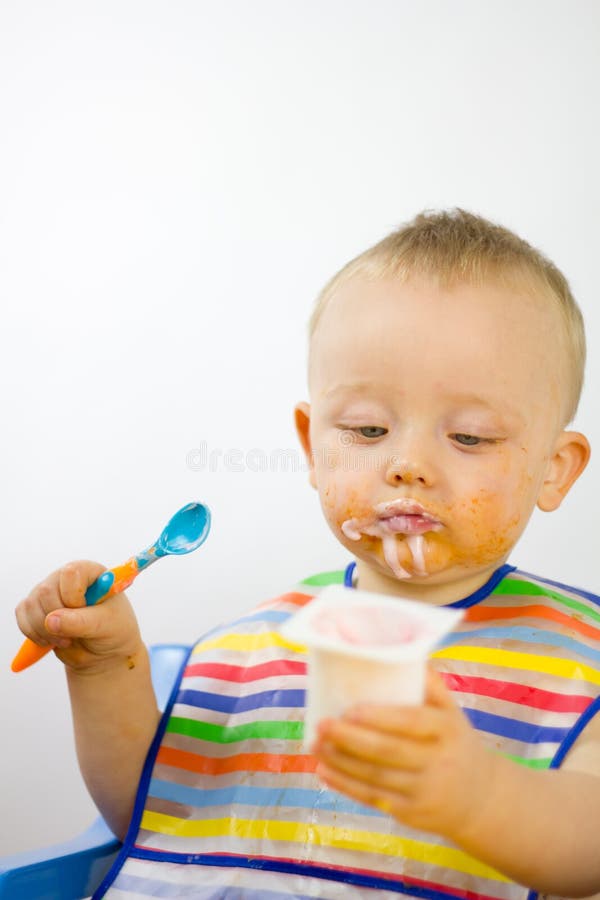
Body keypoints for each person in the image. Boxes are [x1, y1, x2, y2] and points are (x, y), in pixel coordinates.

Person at [15, 209, 600, 899]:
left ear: (554, 470)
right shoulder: (256, 645)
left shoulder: (579, 661)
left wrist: (480, 796)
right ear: (312, 446)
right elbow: (158, 821)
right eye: (368, 429)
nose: (408, 464)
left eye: (470, 437)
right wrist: (103, 668)